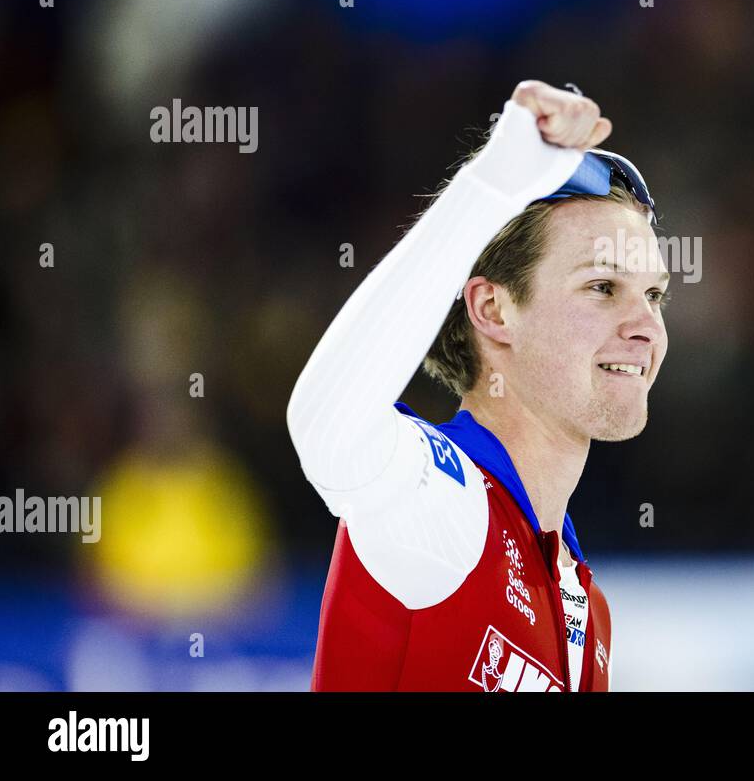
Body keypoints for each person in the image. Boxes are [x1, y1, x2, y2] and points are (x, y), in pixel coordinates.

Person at [286, 80, 670, 691]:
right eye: (603, 288)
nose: (648, 325)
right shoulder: (443, 504)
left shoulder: (588, 610)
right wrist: (491, 184)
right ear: (493, 310)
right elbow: (327, 427)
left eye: (654, 296)